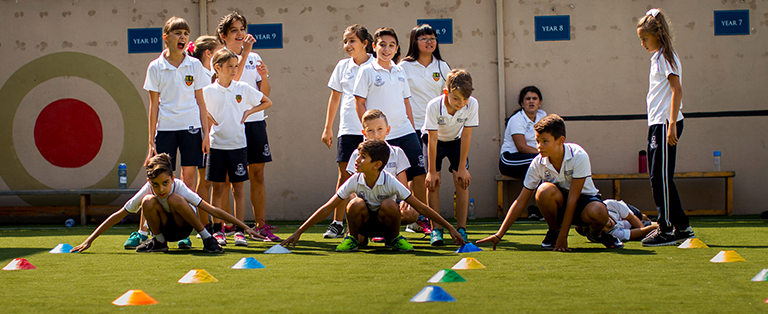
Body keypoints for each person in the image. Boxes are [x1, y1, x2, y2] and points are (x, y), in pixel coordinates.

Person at [280, 140, 465, 252]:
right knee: (354, 204)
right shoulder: (355, 179)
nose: (357, 160)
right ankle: (353, 238)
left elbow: (421, 207)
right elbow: (328, 207)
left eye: (362, 157)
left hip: (386, 226)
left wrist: (450, 228)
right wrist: (299, 232)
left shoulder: (390, 181)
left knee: (390, 205)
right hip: (365, 227)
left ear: (376, 164)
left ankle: (394, 239)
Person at [477, 114, 623, 251]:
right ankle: (554, 230)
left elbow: (573, 198)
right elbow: (520, 201)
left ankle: (596, 234)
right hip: (559, 204)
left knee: (599, 212)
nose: (539, 146)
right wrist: (499, 234)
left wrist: (564, 237)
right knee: (543, 191)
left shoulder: (578, 155)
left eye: (545, 141)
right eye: (537, 141)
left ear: (561, 141)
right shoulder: (537, 162)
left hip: (584, 202)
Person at [126, 16, 210, 250]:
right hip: (165, 128)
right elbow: (153, 105)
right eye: (177, 33)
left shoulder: (194, 65)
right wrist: (150, 140)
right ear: (166, 37)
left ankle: (185, 233)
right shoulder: (155, 66)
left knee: (189, 178)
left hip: (191, 127)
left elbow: (201, 102)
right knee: (156, 177)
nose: (182, 37)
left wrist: (205, 134)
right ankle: (144, 231)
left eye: (185, 33)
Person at [71, 153, 262, 253]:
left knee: (173, 198)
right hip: (166, 231)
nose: (161, 189)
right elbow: (119, 214)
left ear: (172, 178)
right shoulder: (149, 190)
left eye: (165, 183)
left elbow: (211, 209)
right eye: (155, 185)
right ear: (149, 182)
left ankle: (207, 239)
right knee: (147, 202)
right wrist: (90, 240)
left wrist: (245, 227)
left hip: (184, 228)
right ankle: (159, 243)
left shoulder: (178, 187)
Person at [353, 27, 429, 232]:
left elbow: (406, 103)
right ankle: (378, 223)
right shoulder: (366, 70)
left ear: (397, 49)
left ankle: (418, 219)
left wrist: (412, 130)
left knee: (419, 174)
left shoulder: (400, 70)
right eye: (383, 45)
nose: (387, 49)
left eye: (391, 45)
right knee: (377, 175)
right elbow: (359, 102)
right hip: (379, 134)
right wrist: (369, 131)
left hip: (404, 131)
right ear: (374, 47)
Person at [216, 12, 280, 242]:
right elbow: (234, 79)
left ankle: (261, 227)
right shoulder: (221, 57)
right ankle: (229, 225)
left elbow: (264, 94)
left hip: (255, 123)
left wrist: (265, 76)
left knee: (258, 174)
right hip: (231, 126)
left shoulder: (255, 56)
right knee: (226, 179)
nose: (241, 33)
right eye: (234, 30)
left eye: (242, 28)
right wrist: (244, 54)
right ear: (223, 36)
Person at [636, 8, 695, 246]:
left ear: (657, 35)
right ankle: (682, 227)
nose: (642, 44)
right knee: (660, 177)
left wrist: (671, 124)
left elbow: (676, 91)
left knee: (658, 178)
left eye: (644, 39)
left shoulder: (666, 57)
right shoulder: (657, 58)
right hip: (657, 124)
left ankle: (666, 229)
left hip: (664, 124)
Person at [203, 48, 273, 247]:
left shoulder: (242, 88)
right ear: (217, 68)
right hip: (217, 146)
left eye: (236, 66)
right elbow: (197, 106)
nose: (234, 70)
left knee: (239, 190)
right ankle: (218, 231)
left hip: (238, 146)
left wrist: (248, 113)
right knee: (218, 189)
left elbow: (267, 101)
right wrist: (208, 117)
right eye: (229, 66)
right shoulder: (208, 91)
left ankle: (240, 231)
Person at [320, 24, 375, 239]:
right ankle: (337, 223)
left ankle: (373, 224)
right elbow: (334, 99)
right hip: (348, 129)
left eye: (352, 40)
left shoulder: (376, 65)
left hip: (370, 131)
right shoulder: (342, 66)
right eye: (345, 41)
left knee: (373, 175)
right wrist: (328, 128)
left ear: (365, 43)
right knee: (344, 175)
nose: (347, 45)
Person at [399, 23, 451, 235]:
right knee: (416, 176)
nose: (429, 42)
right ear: (414, 42)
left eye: (432, 38)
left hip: (435, 130)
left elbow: (448, 98)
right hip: (410, 129)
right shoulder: (403, 66)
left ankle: (423, 219)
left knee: (431, 177)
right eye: (424, 38)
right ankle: (416, 217)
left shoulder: (442, 66)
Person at [421, 69, 478, 245]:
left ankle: (462, 229)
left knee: (462, 181)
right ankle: (436, 229)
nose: (461, 104)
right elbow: (431, 139)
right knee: (433, 184)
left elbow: (467, 135)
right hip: (434, 142)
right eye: (456, 99)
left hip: (456, 141)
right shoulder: (433, 106)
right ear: (446, 92)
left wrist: (462, 168)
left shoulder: (472, 104)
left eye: (465, 99)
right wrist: (431, 171)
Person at [187, 35, 233, 243]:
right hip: (204, 133)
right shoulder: (203, 75)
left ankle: (217, 224)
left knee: (214, 180)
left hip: (209, 133)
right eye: (219, 50)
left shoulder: (209, 75)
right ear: (208, 54)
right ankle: (204, 224)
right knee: (205, 180)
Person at [346, 110, 416, 242]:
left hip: (388, 206)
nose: (376, 134)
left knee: (412, 213)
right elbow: (351, 189)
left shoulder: (397, 152)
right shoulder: (357, 155)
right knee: (359, 241)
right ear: (364, 133)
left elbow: (403, 187)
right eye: (370, 130)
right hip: (365, 208)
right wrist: (356, 206)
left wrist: (404, 201)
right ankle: (358, 230)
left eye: (380, 129)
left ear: (388, 130)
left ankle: (390, 232)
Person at [499, 86, 547, 179]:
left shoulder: (542, 116)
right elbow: (522, 147)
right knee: (542, 162)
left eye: (535, 98)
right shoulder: (517, 119)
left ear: (540, 102)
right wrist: (543, 154)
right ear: (522, 103)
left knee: (547, 162)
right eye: (528, 99)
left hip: (533, 156)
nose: (531, 101)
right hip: (510, 160)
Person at [576, 199, 656, 242]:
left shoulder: (609, 204)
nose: (607, 226)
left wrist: (642, 227)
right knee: (650, 226)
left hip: (629, 213)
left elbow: (631, 217)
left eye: (602, 224)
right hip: (626, 226)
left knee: (642, 217)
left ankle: (645, 217)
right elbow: (637, 233)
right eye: (603, 230)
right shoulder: (612, 235)